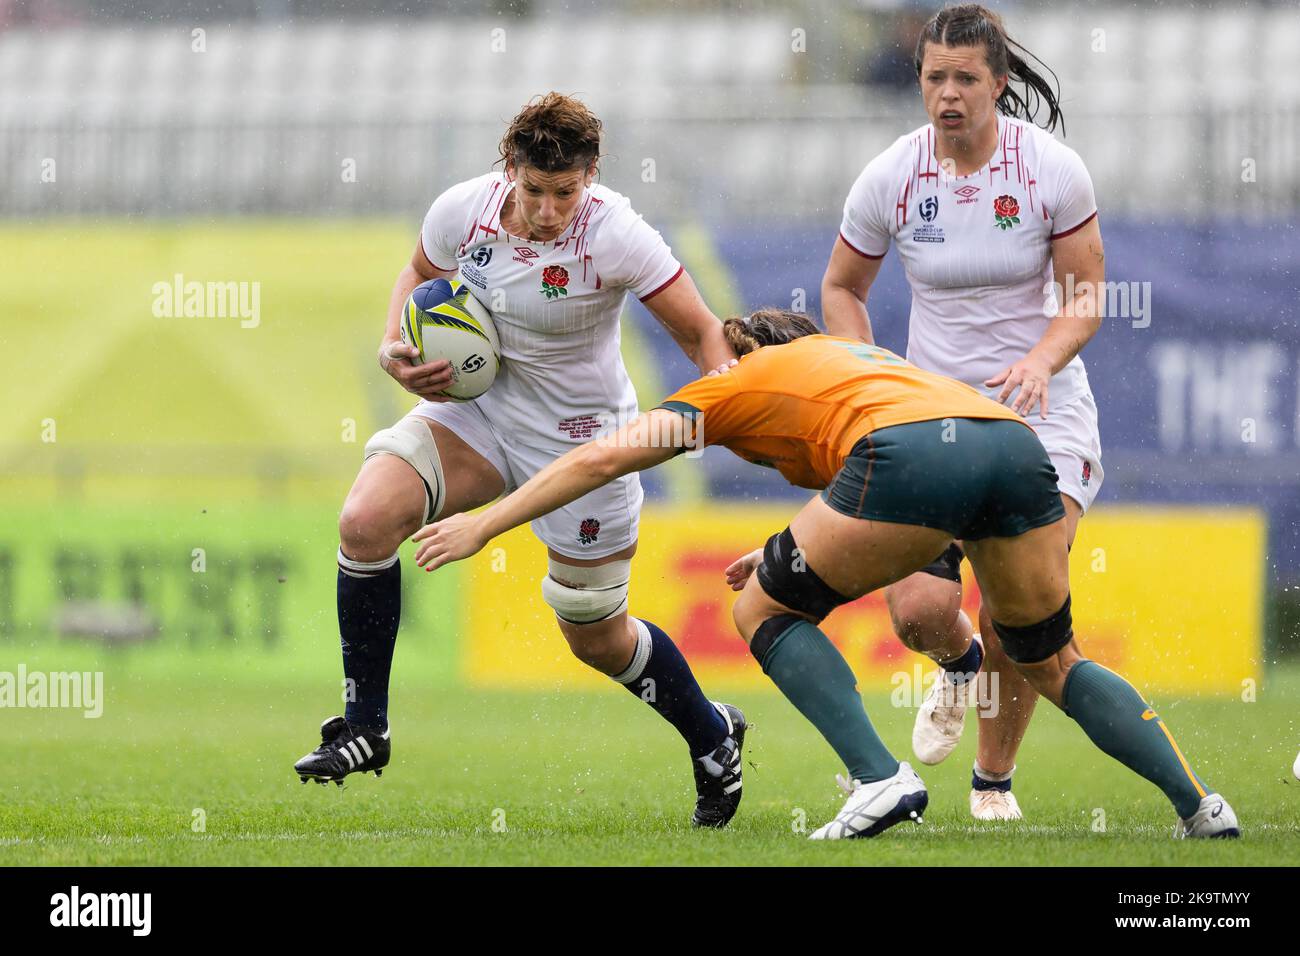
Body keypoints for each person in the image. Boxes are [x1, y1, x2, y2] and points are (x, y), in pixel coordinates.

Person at [412, 311, 1240, 842]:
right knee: (1050, 661)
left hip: (913, 455)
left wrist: (485, 522)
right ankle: (1202, 808)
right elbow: (893, 476)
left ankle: (880, 781)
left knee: (762, 612)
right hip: (1012, 442)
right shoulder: (852, 357)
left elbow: (600, 457)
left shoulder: (734, 381)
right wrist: (787, 550)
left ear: (747, 350)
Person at [293, 92, 750, 829]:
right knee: (365, 520)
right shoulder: (462, 212)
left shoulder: (617, 234)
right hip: (477, 416)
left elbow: (702, 331)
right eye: (534, 191)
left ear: (591, 176)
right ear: (510, 169)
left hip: (585, 440)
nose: (547, 210)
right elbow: (414, 276)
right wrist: (392, 346)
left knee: (594, 634)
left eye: (564, 192)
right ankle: (365, 726)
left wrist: (729, 407)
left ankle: (711, 733)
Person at [821, 3, 1106, 820]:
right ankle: (956, 665)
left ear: (999, 83)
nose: (947, 94)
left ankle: (992, 784)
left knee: (1022, 605)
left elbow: (1086, 295)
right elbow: (842, 288)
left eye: (965, 79)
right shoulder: (892, 175)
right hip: (933, 421)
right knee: (918, 613)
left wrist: (1040, 359)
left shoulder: (1051, 170)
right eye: (934, 77)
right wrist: (874, 379)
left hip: (1040, 417)